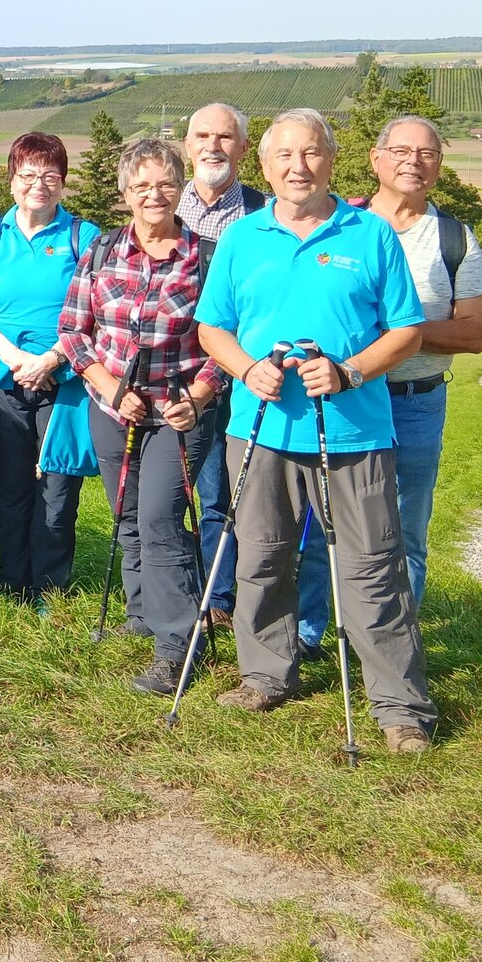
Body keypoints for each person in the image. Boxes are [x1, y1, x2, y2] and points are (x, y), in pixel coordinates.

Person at [195, 108, 437, 753]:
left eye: (311, 154)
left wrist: (351, 371)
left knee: (372, 567)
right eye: (283, 156)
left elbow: (407, 329)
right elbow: (211, 326)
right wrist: (246, 370)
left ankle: (399, 706)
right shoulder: (243, 238)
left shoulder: (370, 235)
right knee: (262, 557)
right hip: (262, 427)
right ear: (264, 165)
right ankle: (266, 675)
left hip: (352, 432)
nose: (297, 168)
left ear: (332, 160)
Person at [295, 115, 482, 653]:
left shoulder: (453, 237)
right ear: (376, 160)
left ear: (439, 166)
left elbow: (474, 334)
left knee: (403, 531)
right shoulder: (339, 223)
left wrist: (398, 336)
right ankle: (310, 634)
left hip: (414, 402)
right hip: (344, 399)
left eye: (427, 153)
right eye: (401, 150)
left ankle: (392, 642)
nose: (413, 161)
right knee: (319, 523)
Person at [56, 139, 223, 693]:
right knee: (127, 517)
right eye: (142, 186)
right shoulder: (102, 252)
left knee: (158, 521)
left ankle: (177, 645)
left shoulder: (209, 256)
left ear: (181, 188)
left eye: (166, 184)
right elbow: (74, 332)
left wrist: (199, 396)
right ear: (125, 194)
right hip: (112, 407)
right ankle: (143, 612)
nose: (155, 195)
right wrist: (105, 384)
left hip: (179, 413)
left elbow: (231, 341)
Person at [0, 133, 102, 605]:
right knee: (9, 485)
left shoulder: (84, 236)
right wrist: (15, 359)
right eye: (28, 175)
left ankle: (50, 584)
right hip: (3, 378)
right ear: (12, 179)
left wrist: (52, 358)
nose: (38, 185)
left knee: (58, 488)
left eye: (50, 176)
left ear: (62, 182)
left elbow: (97, 312)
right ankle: (13, 575)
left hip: (66, 381)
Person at [177, 104, 267, 633]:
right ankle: (176, 586)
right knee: (172, 489)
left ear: (242, 147)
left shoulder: (264, 213)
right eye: (203, 135)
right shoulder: (164, 207)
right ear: (186, 144)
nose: (213, 145)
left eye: (225, 137)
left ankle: (220, 596)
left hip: (246, 376)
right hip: (176, 375)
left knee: (226, 493)